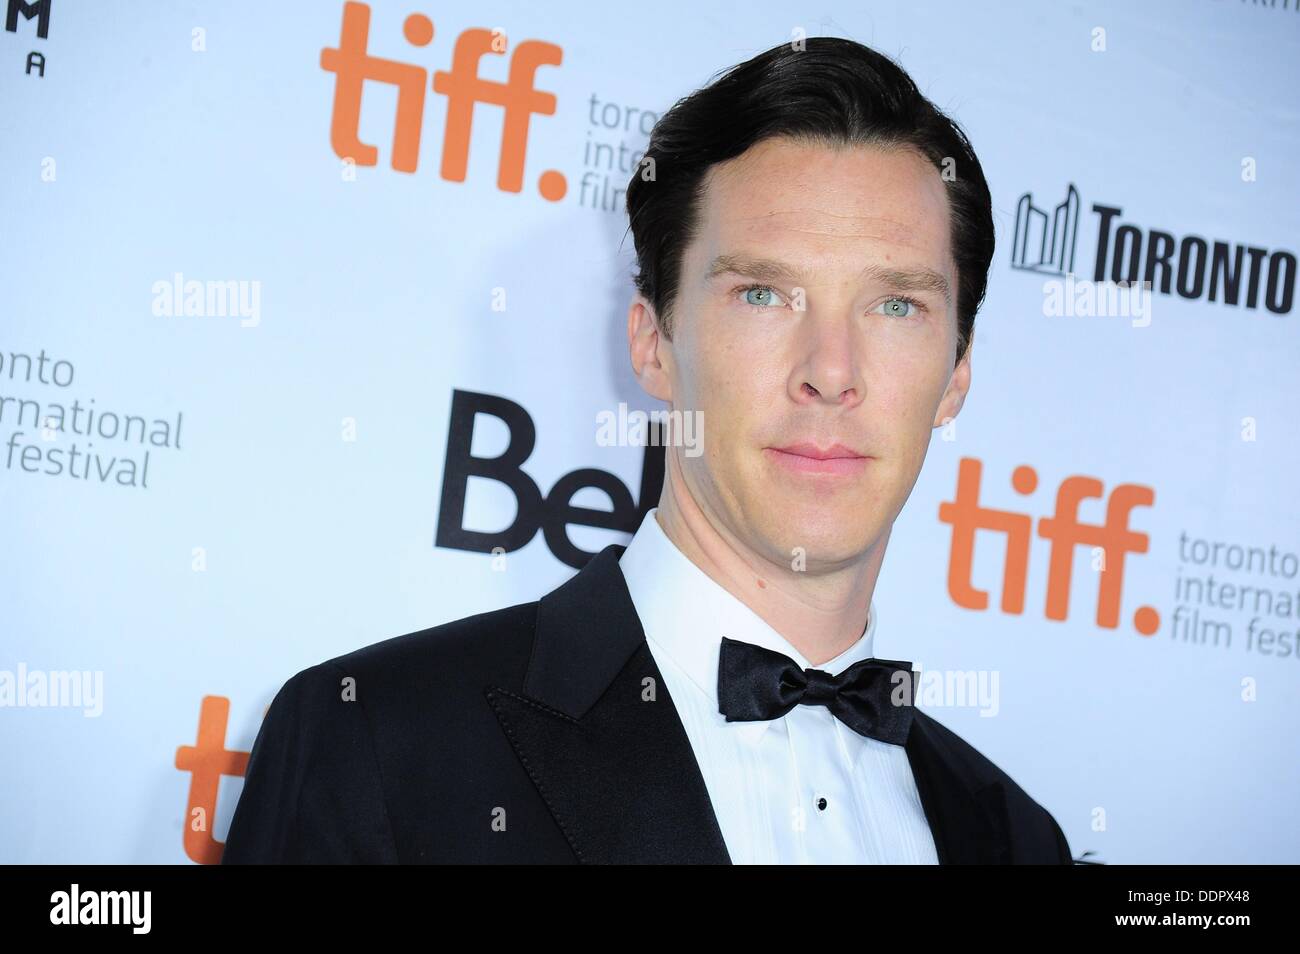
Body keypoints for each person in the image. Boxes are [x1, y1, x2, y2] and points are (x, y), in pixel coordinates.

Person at [222, 36, 1072, 865]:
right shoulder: (374, 742)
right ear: (653, 343)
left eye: (896, 306)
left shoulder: (1015, 840)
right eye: (764, 293)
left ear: (956, 374)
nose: (831, 373)